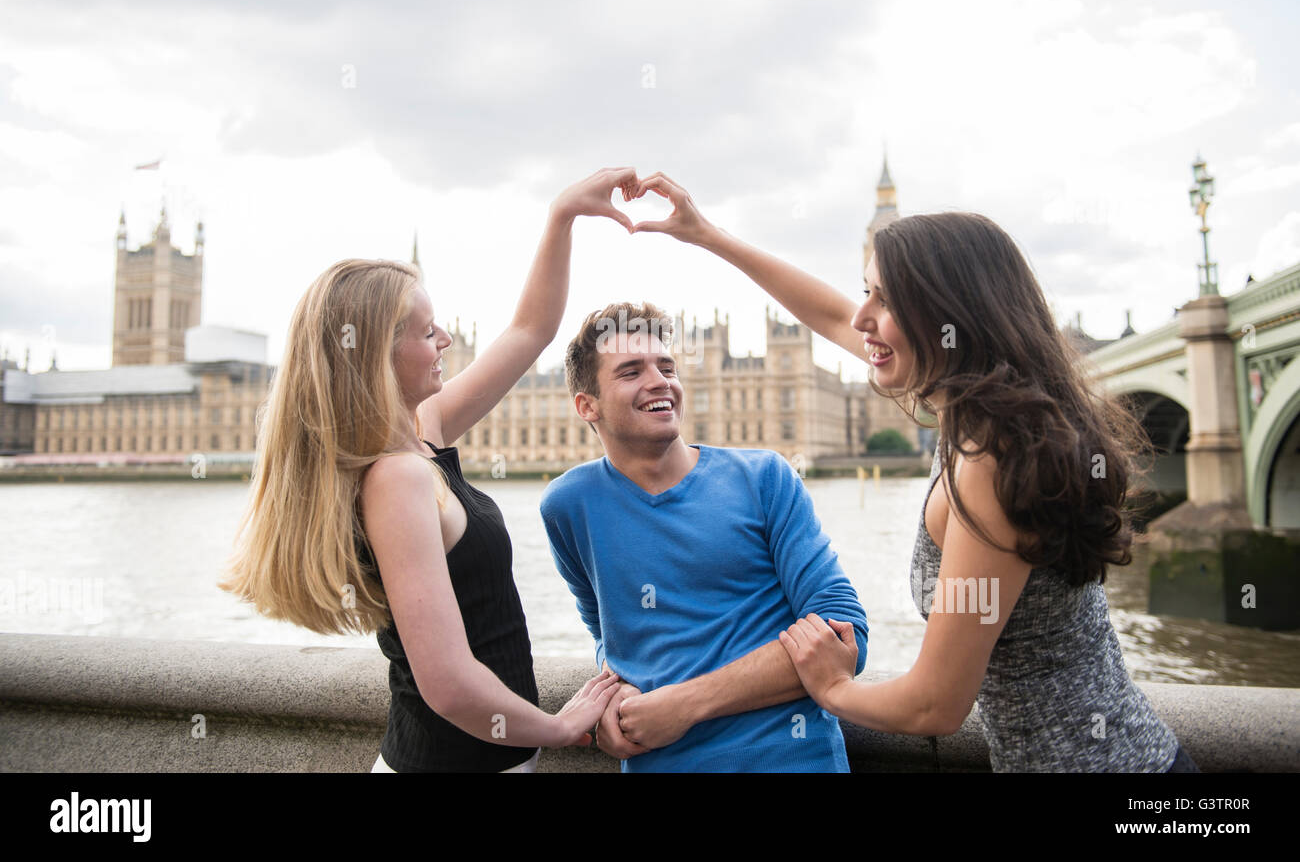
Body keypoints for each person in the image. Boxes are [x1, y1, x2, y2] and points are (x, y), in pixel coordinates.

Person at [627, 171, 1196, 772]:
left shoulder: (991, 462)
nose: (863, 317)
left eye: (885, 300)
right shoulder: (981, 415)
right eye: (866, 292)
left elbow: (935, 706)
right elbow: (831, 315)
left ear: (947, 317)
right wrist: (708, 235)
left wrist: (831, 689)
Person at [218, 168, 645, 772]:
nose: (446, 337)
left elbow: (529, 331)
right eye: (426, 330)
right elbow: (446, 683)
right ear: (374, 355)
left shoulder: (424, 435)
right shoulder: (397, 479)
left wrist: (561, 216)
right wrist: (557, 726)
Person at [540, 301, 869, 772]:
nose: (660, 380)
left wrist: (685, 705)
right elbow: (609, 630)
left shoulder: (764, 477)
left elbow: (844, 633)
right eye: (631, 371)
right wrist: (614, 690)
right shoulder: (568, 505)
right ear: (586, 404)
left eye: (667, 366)